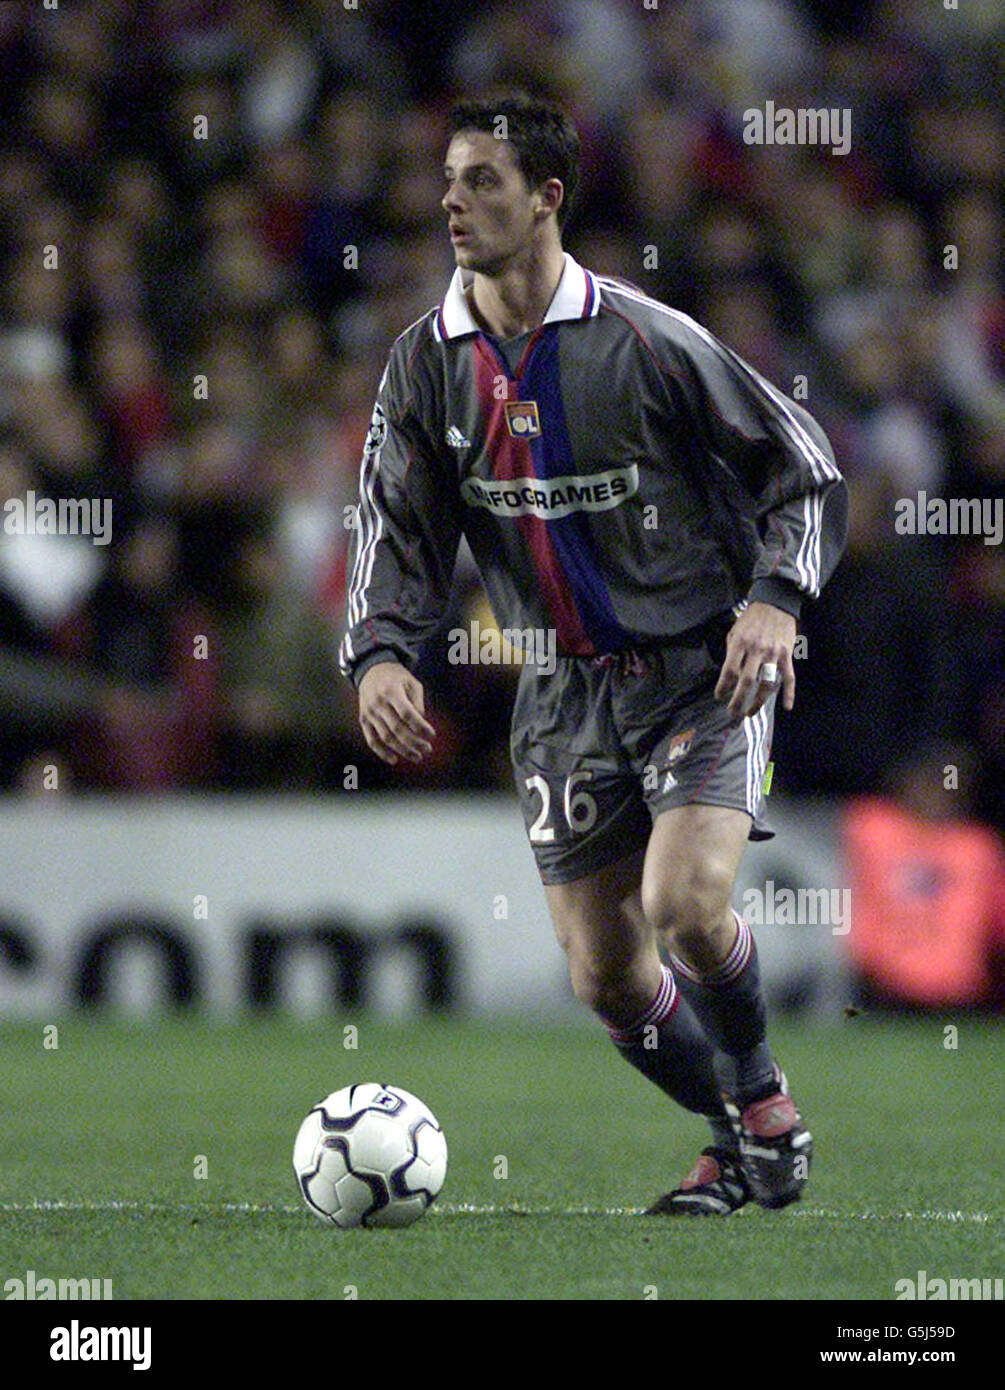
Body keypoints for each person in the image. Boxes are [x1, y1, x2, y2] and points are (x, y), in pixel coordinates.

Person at [339, 94, 847, 1214]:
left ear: (547, 197)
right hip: (562, 690)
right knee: (607, 977)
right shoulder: (426, 365)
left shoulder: (648, 339)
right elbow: (393, 522)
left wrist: (776, 599)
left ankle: (763, 1100)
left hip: (701, 667)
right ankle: (736, 1140)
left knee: (687, 901)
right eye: (448, 179)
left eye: (481, 181)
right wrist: (382, 653)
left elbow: (803, 464)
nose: (452, 202)